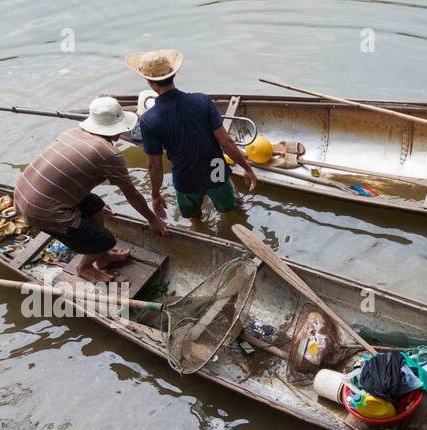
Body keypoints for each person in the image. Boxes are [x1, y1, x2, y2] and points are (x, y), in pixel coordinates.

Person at [13, 96, 167, 283]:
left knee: (95, 204)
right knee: (105, 240)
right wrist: (152, 219)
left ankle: (102, 256)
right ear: (117, 129)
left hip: (22, 195)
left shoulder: (71, 132)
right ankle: (85, 267)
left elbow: (70, 176)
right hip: (40, 210)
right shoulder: (109, 154)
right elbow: (132, 195)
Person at [126, 49, 258, 225]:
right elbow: (225, 142)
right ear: (173, 75)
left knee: (195, 219)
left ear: (150, 83)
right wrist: (247, 168)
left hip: (184, 176)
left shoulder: (149, 120)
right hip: (215, 169)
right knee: (234, 210)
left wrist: (156, 195)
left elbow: (154, 165)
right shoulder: (202, 101)